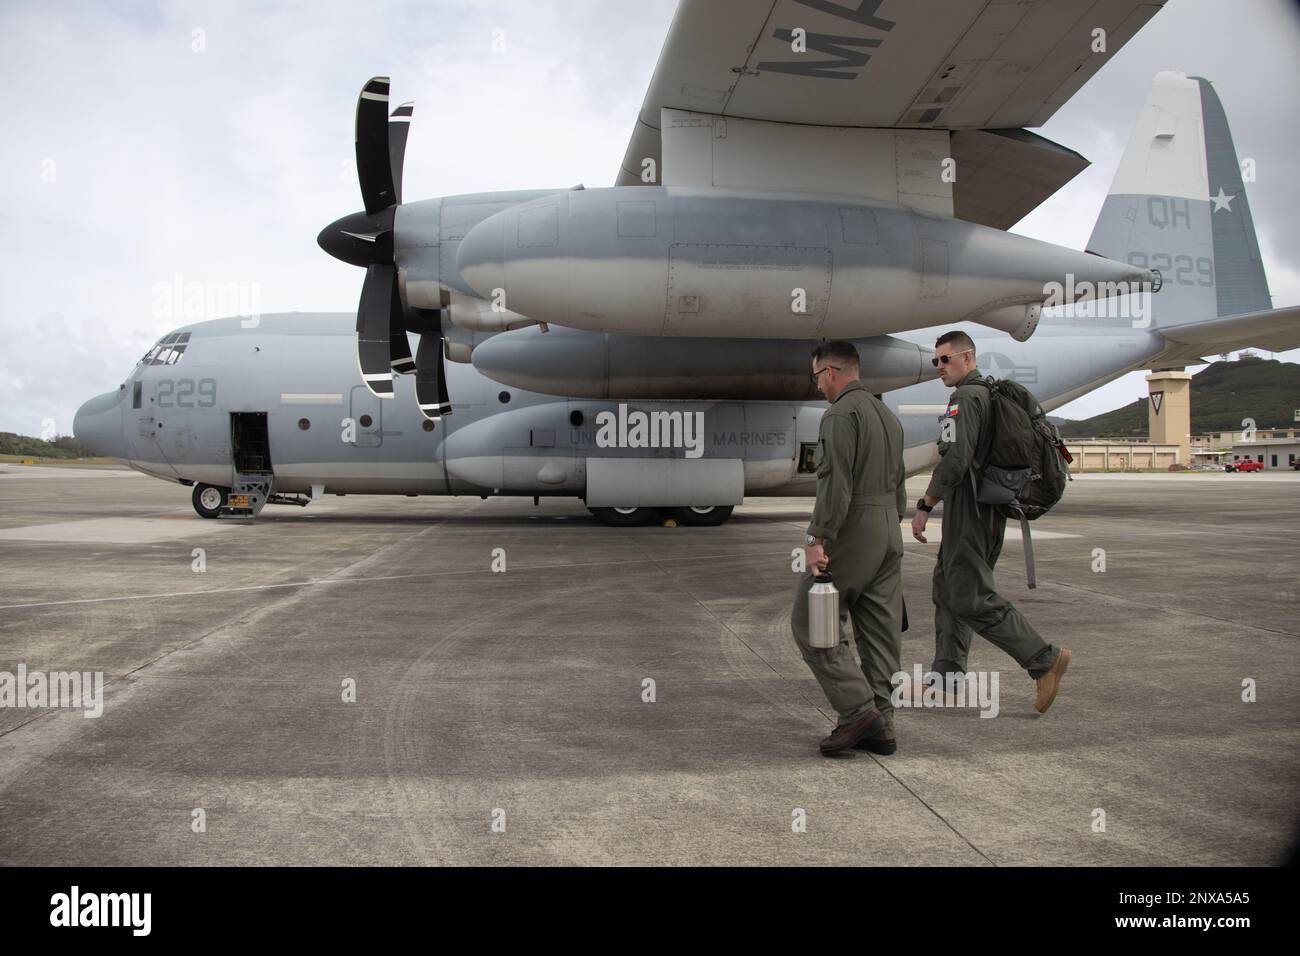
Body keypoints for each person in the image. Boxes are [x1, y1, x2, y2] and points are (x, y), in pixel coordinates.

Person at [911, 330, 1071, 713]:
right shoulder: (989, 393)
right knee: (948, 586)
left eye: (945, 360)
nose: (939, 368)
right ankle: (947, 681)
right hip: (986, 504)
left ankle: (1043, 659)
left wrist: (925, 503)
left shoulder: (965, 397)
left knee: (970, 594)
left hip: (970, 506)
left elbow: (955, 458)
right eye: (936, 361)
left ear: (967, 358)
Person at [791, 340, 907, 756]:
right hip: (889, 530)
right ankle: (882, 726)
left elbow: (836, 484)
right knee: (880, 633)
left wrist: (817, 538)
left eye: (817, 376)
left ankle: (858, 712)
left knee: (811, 622)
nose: (818, 385)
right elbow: (898, 485)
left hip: (853, 529)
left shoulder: (840, 415)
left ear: (832, 372)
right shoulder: (887, 415)